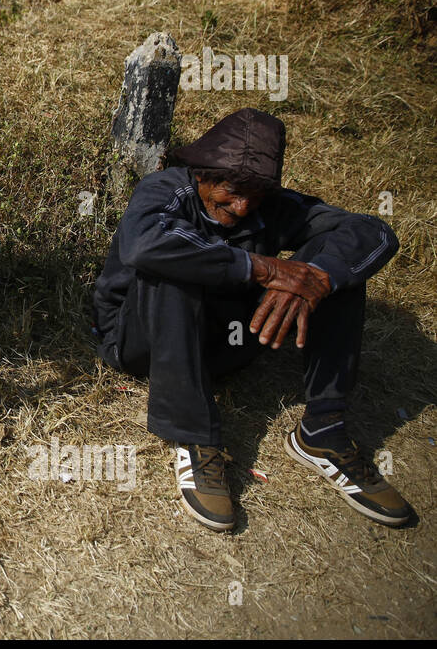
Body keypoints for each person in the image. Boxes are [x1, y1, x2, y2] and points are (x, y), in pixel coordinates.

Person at [92, 107, 411, 531]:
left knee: (331, 271)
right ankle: (197, 436)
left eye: (254, 195)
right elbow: (142, 245)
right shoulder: (164, 189)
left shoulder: (268, 204)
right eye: (230, 189)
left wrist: (316, 278)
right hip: (142, 341)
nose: (242, 206)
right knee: (175, 267)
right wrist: (266, 269)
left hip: (230, 342)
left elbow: (374, 232)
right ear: (202, 173)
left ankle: (324, 431)